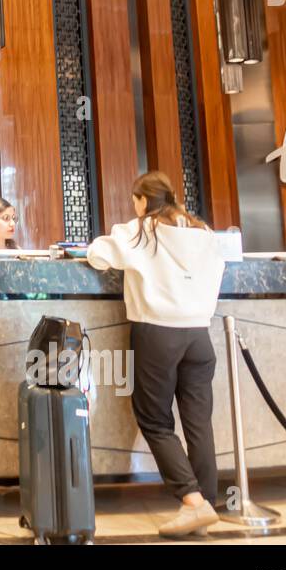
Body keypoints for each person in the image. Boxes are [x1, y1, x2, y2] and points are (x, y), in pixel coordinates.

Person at [87, 171, 225, 538]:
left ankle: (193, 502)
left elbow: (98, 255)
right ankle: (207, 504)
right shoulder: (204, 233)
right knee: (199, 422)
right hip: (199, 334)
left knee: (154, 420)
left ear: (143, 200)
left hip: (157, 332)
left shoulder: (141, 230)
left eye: (135, 199)